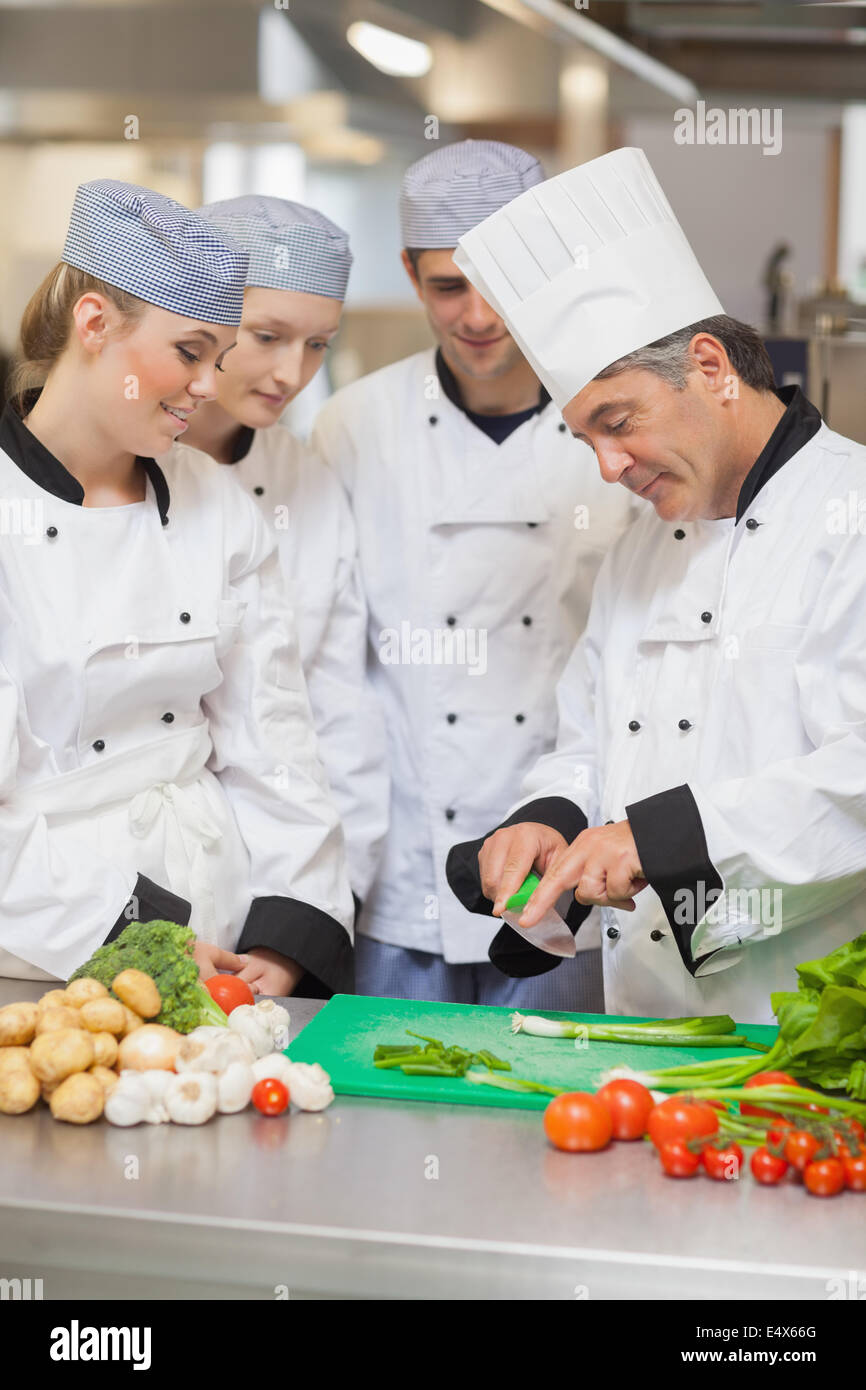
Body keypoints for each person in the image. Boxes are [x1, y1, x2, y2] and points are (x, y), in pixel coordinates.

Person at [447, 146, 866, 1023]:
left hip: (807, 1017)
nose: (606, 467)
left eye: (619, 422)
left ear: (711, 367)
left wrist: (658, 842)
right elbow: (592, 736)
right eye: (584, 438)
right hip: (643, 1013)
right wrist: (552, 818)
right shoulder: (642, 546)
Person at [0, 180, 353, 998]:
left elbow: (276, 739)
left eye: (217, 359)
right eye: (189, 351)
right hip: (47, 950)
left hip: (218, 929)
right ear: (93, 324)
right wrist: (137, 931)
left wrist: (286, 928)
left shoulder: (217, 503)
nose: (206, 384)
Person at [313, 140, 641, 1008]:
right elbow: (326, 667)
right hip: (407, 861)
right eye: (447, 285)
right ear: (409, 275)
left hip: (569, 858)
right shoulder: (354, 426)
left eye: (499, 283)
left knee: (544, 1124)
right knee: (385, 1126)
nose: (477, 316)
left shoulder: (620, 428)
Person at [166, 195, 387, 919]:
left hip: (285, 879)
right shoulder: (114, 465)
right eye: (267, 336)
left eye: (319, 344)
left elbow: (336, 710)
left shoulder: (307, 483)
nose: (293, 372)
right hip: (131, 882)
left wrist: (323, 908)